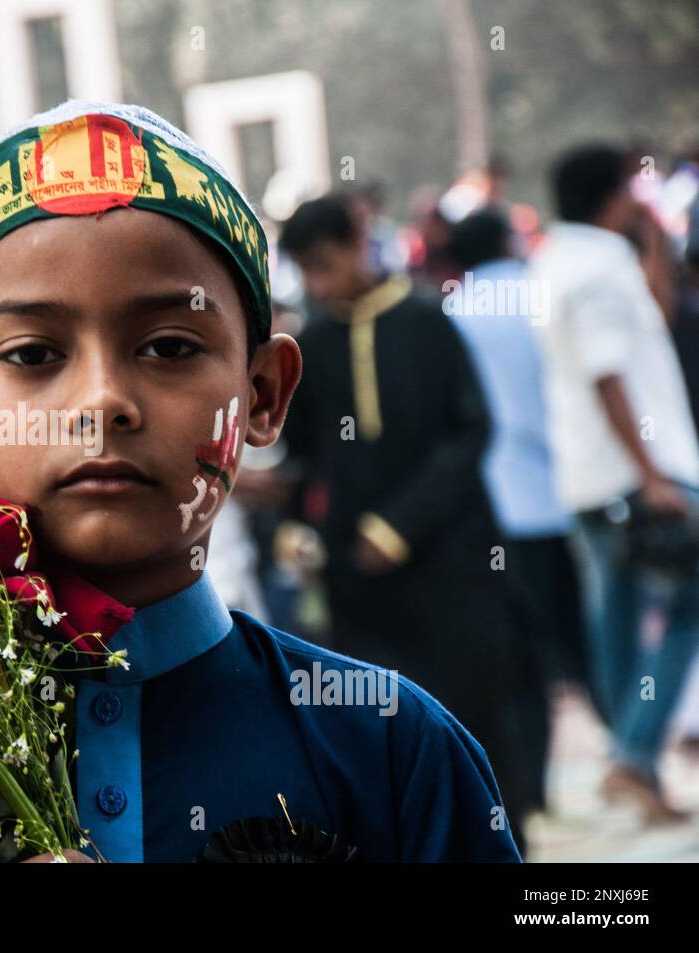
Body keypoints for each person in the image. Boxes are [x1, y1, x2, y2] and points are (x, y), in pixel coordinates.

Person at [0, 102, 520, 862]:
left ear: (262, 394)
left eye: (168, 346)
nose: (103, 402)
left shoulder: (392, 746)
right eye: (31, 354)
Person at [276, 193, 542, 855]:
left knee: (472, 712)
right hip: (360, 584)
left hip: (450, 562)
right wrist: (290, 524)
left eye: (326, 263)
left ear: (359, 240)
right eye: (307, 270)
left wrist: (398, 528)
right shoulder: (313, 343)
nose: (320, 282)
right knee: (376, 723)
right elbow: (304, 456)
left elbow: (470, 432)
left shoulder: (427, 321)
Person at [531, 144, 699, 822]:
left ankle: (636, 766)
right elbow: (609, 375)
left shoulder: (563, 260)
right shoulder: (596, 269)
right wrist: (652, 473)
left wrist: (653, 241)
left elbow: (648, 328)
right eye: (633, 185)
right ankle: (634, 752)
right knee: (685, 603)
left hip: (587, 477)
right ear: (610, 193)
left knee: (617, 627)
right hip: (637, 474)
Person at [445, 210, 591, 812]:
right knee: (576, 640)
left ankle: (526, 788)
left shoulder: (452, 313)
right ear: (508, 239)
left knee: (518, 657)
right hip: (560, 496)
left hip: (489, 510)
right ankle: (627, 751)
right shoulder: (538, 296)